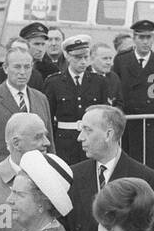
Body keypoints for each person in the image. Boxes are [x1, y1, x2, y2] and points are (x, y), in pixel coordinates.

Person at [67, 105, 154, 231]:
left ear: (109, 134)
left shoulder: (146, 178)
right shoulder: (72, 175)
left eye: (87, 130)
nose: (80, 138)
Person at [0, 43, 53, 176]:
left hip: (37, 176)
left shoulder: (40, 99)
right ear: (5, 68)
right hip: (3, 177)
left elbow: (49, 144)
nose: (22, 72)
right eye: (17, 67)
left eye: (27, 67)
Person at [114, 19, 154, 174]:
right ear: (134, 38)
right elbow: (117, 91)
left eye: (149, 37)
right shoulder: (122, 60)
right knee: (130, 163)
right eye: (141, 37)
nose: (145, 42)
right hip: (130, 123)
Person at [43, 33, 110, 167]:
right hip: (64, 142)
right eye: (78, 57)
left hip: (91, 140)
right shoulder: (54, 82)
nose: (83, 61)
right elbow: (48, 117)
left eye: (86, 57)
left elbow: (104, 115)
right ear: (68, 56)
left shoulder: (99, 82)